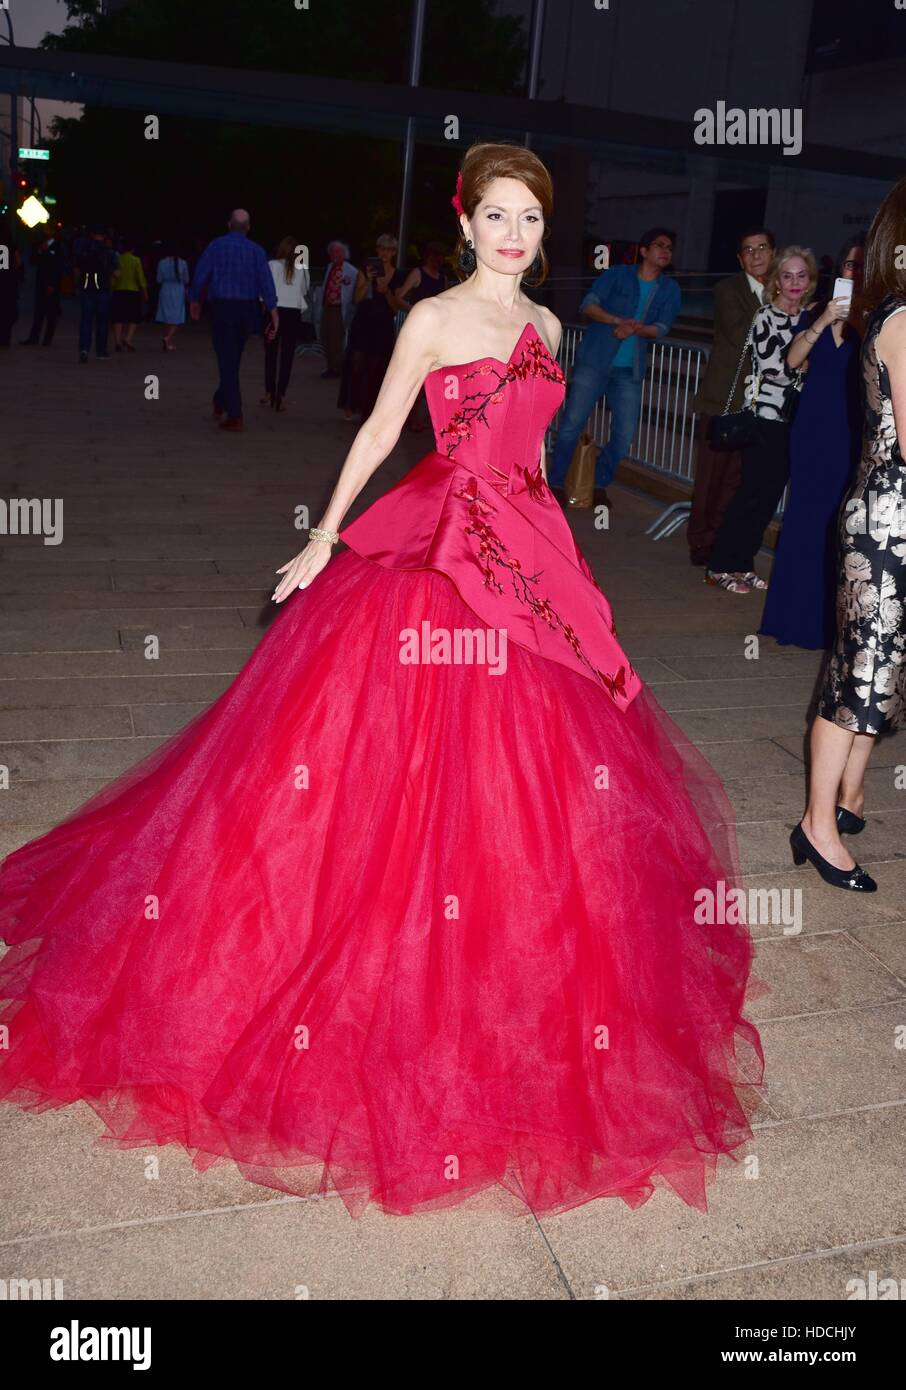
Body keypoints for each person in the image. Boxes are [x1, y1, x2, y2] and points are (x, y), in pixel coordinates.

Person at [0, 142, 765, 1221]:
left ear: (546, 232)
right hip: (433, 551)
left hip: (524, 555)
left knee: (542, 777)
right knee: (387, 765)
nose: (512, 234)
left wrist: (562, 564)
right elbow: (378, 428)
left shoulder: (550, 328)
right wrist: (326, 540)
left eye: (530, 220)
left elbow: (537, 459)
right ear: (468, 224)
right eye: (496, 215)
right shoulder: (433, 320)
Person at [792, 179, 906, 893]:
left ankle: (852, 794)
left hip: (887, 514)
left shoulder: (891, 312)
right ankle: (816, 824)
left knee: (881, 667)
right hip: (890, 521)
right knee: (857, 677)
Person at [758, 239, 865, 647]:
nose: (853, 272)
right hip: (810, 431)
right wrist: (821, 324)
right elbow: (792, 360)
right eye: (848, 265)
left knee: (837, 526)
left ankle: (825, 623)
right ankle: (788, 619)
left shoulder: (874, 319)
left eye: (860, 266)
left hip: (850, 433)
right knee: (802, 521)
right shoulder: (819, 313)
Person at [705, 247, 815, 593]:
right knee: (751, 495)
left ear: (810, 280)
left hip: (797, 421)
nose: (794, 282)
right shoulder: (766, 317)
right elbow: (774, 370)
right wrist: (807, 367)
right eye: (787, 275)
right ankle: (721, 565)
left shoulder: (809, 319)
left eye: (801, 275)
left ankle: (744, 564)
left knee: (767, 499)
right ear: (776, 282)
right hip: (767, 418)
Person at [547, 228, 681, 507]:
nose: (665, 251)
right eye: (659, 245)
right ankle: (557, 484)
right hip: (594, 362)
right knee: (572, 423)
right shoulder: (616, 275)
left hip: (628, 371)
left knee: (625, 433)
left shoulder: (670, 289)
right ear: (644, 251)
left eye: (669, 247)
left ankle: (599, 483)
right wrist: (616, 321)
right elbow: (588, 305)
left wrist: (637, 328)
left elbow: (662, 328)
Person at [688, 228, 774, 565]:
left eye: (762, 248)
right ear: (740, 259)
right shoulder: (728, 290)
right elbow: (741, 334)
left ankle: (723, 538)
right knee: (712, 476)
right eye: (748, 250)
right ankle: (700, 540)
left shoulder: (785, 290)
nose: (756, 255)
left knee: (738, 478)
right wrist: (775, 302)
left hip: (761, 405)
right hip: (723, 400)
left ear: (773, 252)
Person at [189, 209, 278, 432]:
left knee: (226, 359)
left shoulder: (216, 246)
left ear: (229, 224)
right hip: (247, 310)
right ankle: (221, 400)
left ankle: (235, 413)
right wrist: (273, 310)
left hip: (222, 308)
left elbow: (201, 274)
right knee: (232, 358)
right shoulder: (257, 251)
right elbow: (265, 281)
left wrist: (194, 300)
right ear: (248, 227)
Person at [337, 233, 406, 422]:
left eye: (389, 249)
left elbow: (395, 307)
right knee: (356, 363)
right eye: (381, 249)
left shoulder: (399, 275)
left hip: (383, 324)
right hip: (363, 322)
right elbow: (356, 299)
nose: (385, 253)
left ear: (394, 252)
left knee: (376, 368)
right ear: (377, 251)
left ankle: (369, 409)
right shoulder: (366, 270)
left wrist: (386, 292)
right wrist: (368, 281)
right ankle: (352, 403)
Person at [396, 241, 451, 432]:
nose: (438, 261)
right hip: (418, 330)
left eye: (440, 258)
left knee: (433, 377)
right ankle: (410, 418)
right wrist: (416, 310)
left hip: (437, 333)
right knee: (414, 376)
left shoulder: (442, 278)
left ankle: (426, 418)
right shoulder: (418, 273)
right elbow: (399, 296)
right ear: (428, 257)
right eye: (435, 257)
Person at [262, 236, 310, 411]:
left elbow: (265, 288)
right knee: (287, 355)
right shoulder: (301, 267)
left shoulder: (272, 265)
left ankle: (269, 391)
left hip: (274, 310)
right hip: (293, 312)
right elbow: (305, 289)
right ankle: (281, 394)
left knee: (271, 354)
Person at [73, 224, 119, 363]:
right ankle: (101, 351)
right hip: (103, 290)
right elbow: (117, 273)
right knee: (102, 322)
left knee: (86, 320)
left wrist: (77, 285)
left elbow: (76, 270)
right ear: (104, 237)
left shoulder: (83, 250)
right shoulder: (109, 252)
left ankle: (84, 348)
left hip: (87, 289)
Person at [318, 240, 357, 378]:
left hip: (339, 308)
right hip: (327, 307)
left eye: (337, 252)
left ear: (343, 254)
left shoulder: (351, 270)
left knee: (336, 339)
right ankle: (330, 366)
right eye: (332, 252)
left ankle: (336, 368)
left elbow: (353, 290)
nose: (333, 254)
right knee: (325, 336)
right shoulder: (330, 267)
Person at [20, 233, 66, 348]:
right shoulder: (40, 244)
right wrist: (40, 250)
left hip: (52, 284)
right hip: (41, 283)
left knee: (51, 313)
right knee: (38, 312)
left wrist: (53, 284)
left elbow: (58, 267)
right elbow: (33, 260)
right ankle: (34, 337)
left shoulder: (58, 246)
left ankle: (47, 339)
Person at [111, 237, 149, 353]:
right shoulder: (136, 260)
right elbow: (140, 278)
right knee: (134, 317)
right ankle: (128, 339)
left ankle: (117, 341)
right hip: (133, 291)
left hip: (118, 291)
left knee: (118, 317)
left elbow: (113, 277)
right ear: (133, 249)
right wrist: (145, 292)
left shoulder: (118, 259)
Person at [154, 242, 190, 350]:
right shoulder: (183, 263)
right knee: (177, 316)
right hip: (178, 290)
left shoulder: (161, 262)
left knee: (166, 316)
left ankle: (166, 339)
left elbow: (159, 279)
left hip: (165, 289)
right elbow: (186, 279)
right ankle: (168, 339)